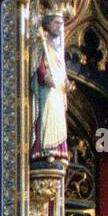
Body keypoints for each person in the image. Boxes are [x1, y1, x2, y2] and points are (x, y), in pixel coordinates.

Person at [30, 12, 70, 162]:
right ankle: (46, 149)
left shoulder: (57, 48)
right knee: (48, 115)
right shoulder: (42, 46)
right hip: (48, 90)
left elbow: (61, 69)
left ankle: (59, 149)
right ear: (47, 24)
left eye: (61, 23)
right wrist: (45, 77)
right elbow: (38, 66)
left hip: (59, 89)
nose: (59, 26)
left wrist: (66, 82)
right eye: (56, 23)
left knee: (59, 118)